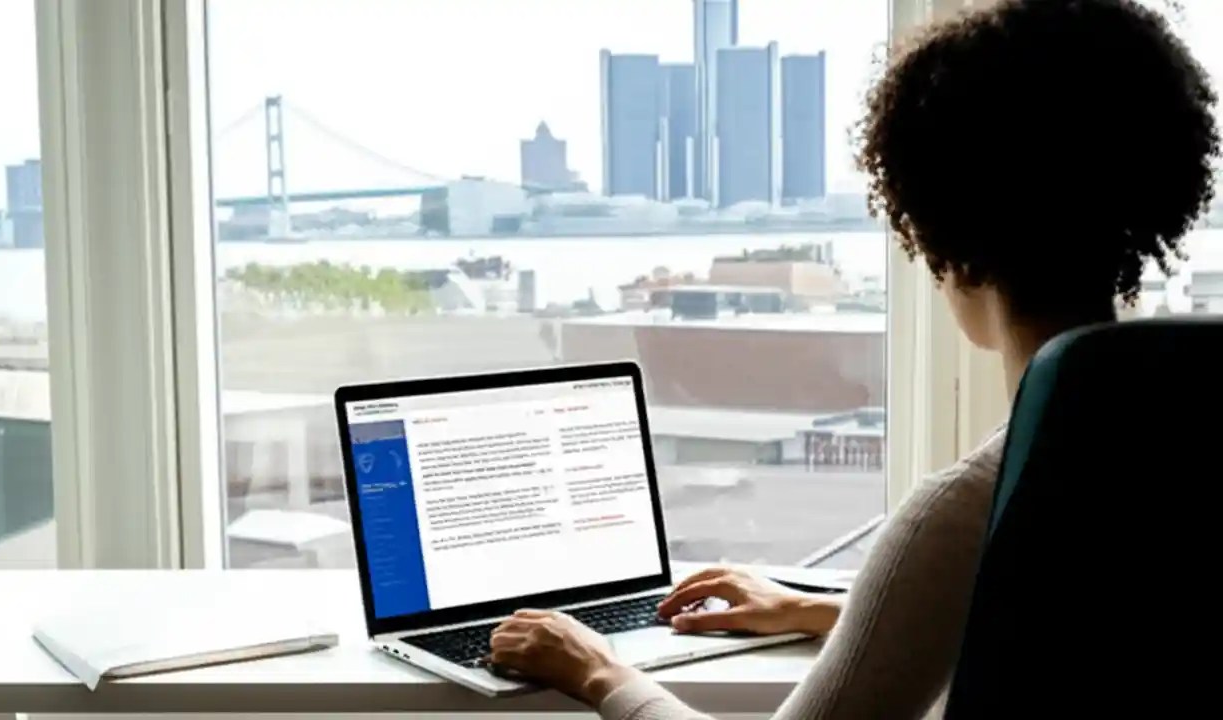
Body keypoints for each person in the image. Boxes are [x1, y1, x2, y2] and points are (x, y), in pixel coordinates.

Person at [488, 0, 1220, 718]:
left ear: (948, 248)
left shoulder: (971, 507)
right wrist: (814, 609)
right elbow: (1049, 640)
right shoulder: (1181, 446)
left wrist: (598, 672)